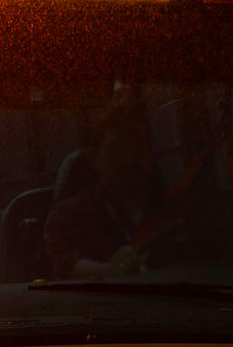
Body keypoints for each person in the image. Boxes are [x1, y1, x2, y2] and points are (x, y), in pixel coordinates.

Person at [43, 109, 163, 279]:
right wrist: (108, 270)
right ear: (95, 159)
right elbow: (65, 266)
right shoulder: (68, 216)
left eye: (138, 146)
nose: (128, 158)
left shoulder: (179, 207)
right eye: (116, 149)